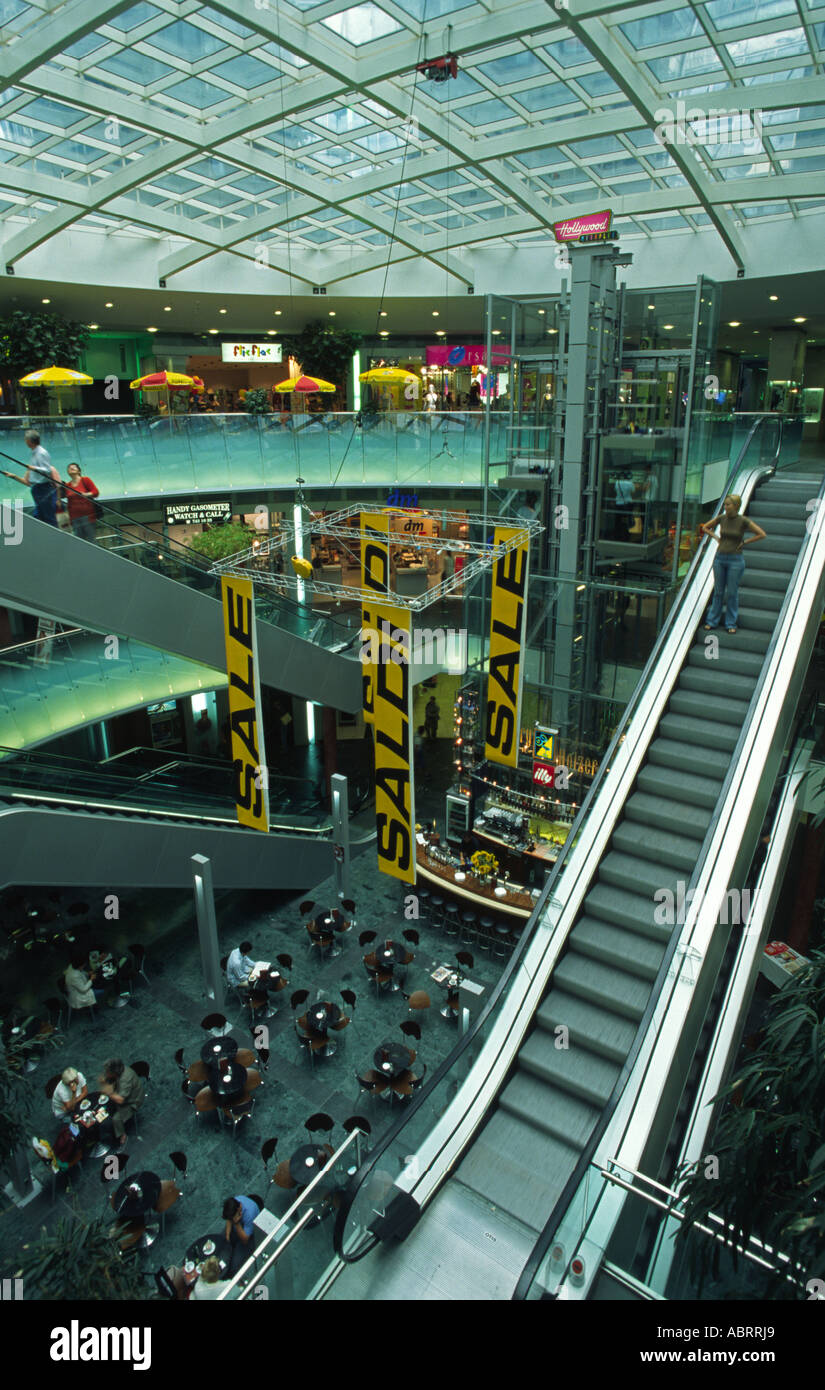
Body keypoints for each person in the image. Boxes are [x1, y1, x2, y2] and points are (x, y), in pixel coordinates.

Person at [701, 494, 767, 635]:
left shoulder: (742, 520)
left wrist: (744, 542)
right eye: (725, 504)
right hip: (719, 558)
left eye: (728, 505)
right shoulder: (722, 519)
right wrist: (716, 538)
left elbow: (761, 534)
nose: (725, 507)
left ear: (736, 506)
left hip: (735, 560)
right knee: (718, 592)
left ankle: (731, 623)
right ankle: (712, 621)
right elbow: (705, 527)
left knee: (732, 592)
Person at [99, 1058, 145, 1147]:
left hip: (133, 1101)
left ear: (114, 1072)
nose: (106, 1073)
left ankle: (122, 1135)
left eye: (108, 1072)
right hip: (125, 1093)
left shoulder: (125, 1080)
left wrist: (108, 1092)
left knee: (116, 1118)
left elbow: (120, 1100)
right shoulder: (120, 1070)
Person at [23, 429, 61, 526]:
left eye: (26, 439)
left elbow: (47, 470)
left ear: (30, 441)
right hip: (37, 488)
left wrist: (33, 468)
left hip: (43, 488)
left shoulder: (41, 453)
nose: (25, 441)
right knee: (40, 516)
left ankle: (53, 537)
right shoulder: (34, 453)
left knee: (48, 516)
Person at [222, 1195, 260, 1273]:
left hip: (250, 1235)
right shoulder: (235, 1202)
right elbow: (229, 1220)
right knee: (221, 1241)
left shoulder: (250, 1214)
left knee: (234, 1265)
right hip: (238, 1224)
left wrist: (236, 1223)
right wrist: (227, 1236)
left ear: (239, 1209)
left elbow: (245, 1240)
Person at [62, 462, 99, 541]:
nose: (71, 468)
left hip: (88, 516)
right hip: (75, 518)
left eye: (73, 467)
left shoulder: (85, 480)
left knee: (91, 539)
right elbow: (69, 502)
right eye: (69, 468)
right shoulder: (67, 485)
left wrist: (86, 494)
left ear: (79, 471)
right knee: (79, 541)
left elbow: (96, 492)